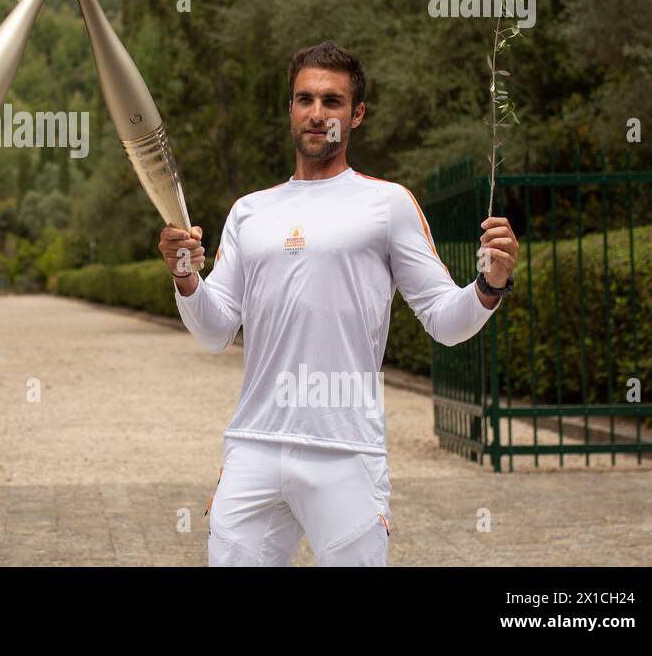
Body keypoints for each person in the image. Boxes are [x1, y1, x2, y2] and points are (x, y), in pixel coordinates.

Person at [158, 42, 518, 567]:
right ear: (290, 110)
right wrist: (185, 275)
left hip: (346, 453)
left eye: (332, 100)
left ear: (357, 114)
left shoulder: (387, 204)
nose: (317, 112)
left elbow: (444, 320)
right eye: (305, 99)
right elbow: (216, 331)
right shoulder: (249, 212)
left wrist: (491, 284)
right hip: (254, 446)